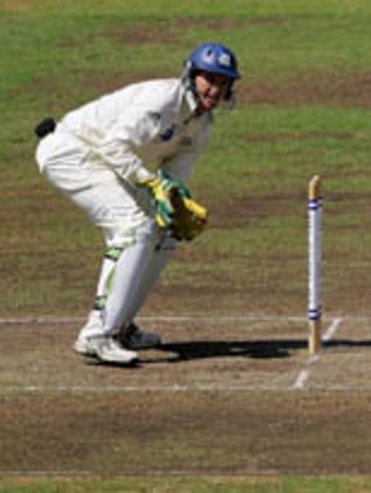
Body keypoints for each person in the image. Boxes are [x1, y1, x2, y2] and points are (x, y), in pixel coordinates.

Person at [35, 42, 241, 365]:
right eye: (209, 80)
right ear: (192, 76)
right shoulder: (164, 99)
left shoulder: (202, 126)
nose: (215, 89)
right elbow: (114, 146)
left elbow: (173, 180)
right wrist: (151, 182)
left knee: (165, 230)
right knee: (133, 227)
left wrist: (175, 203)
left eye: (222, 82)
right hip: (72, 152)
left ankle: (120, 326)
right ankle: (96, 334)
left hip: (109, 163)